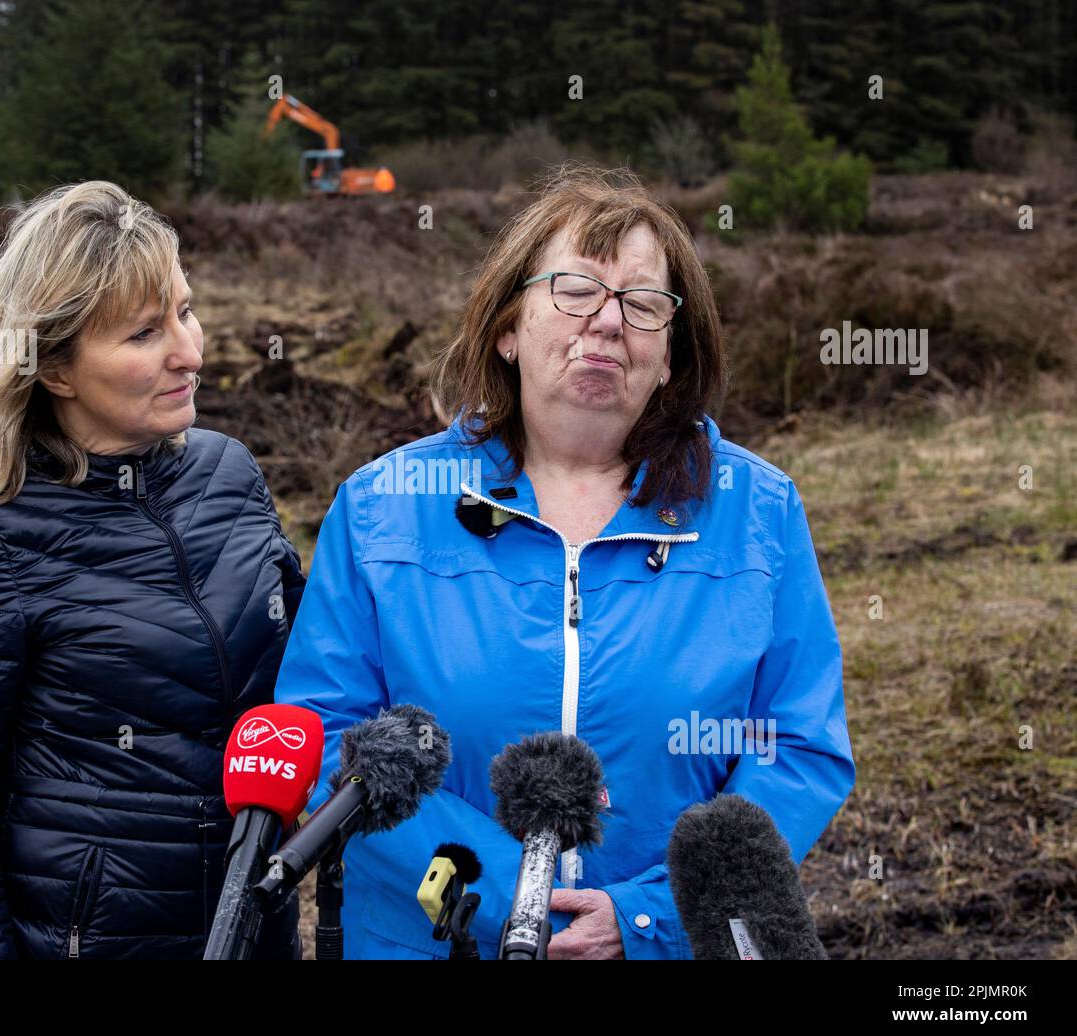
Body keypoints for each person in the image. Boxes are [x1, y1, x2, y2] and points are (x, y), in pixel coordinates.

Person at [274, 164, 856, 959]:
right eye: (575, 289)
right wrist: (514, 897)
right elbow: (325, 741)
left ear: (671, 358)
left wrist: (651, 917)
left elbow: (797, 748)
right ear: (509, 327)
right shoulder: (385, 508)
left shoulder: (761, 513)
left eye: (643, 303)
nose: (608, 322)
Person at [0, 181, 304, 959]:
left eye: (185, 310)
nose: (189, 350)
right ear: (54, 368)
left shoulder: (230, 472)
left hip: (253, 919)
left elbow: (305, 678)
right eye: (145, 332)